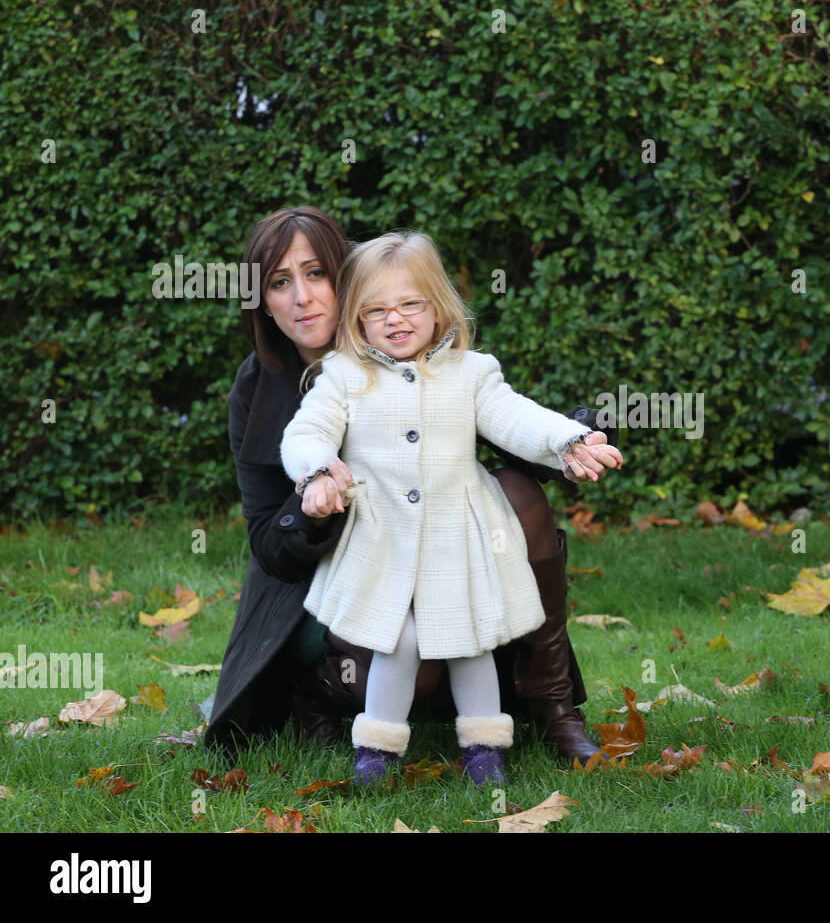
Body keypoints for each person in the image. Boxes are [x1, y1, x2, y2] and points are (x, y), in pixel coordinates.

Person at [206, 207, 617, 766]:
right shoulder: (268, 388)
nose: (302, 297)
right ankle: (323, 692)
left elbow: (503, 419)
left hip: (440, 550)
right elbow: (267, 537)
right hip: (323, 582)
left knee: (517, 492)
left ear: (347, 278)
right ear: (263, 298)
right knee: (410, 657)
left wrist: (571, 438)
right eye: (280, 282)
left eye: (316, 274)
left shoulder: (425, 350)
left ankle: (550, 704)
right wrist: (317, 498)